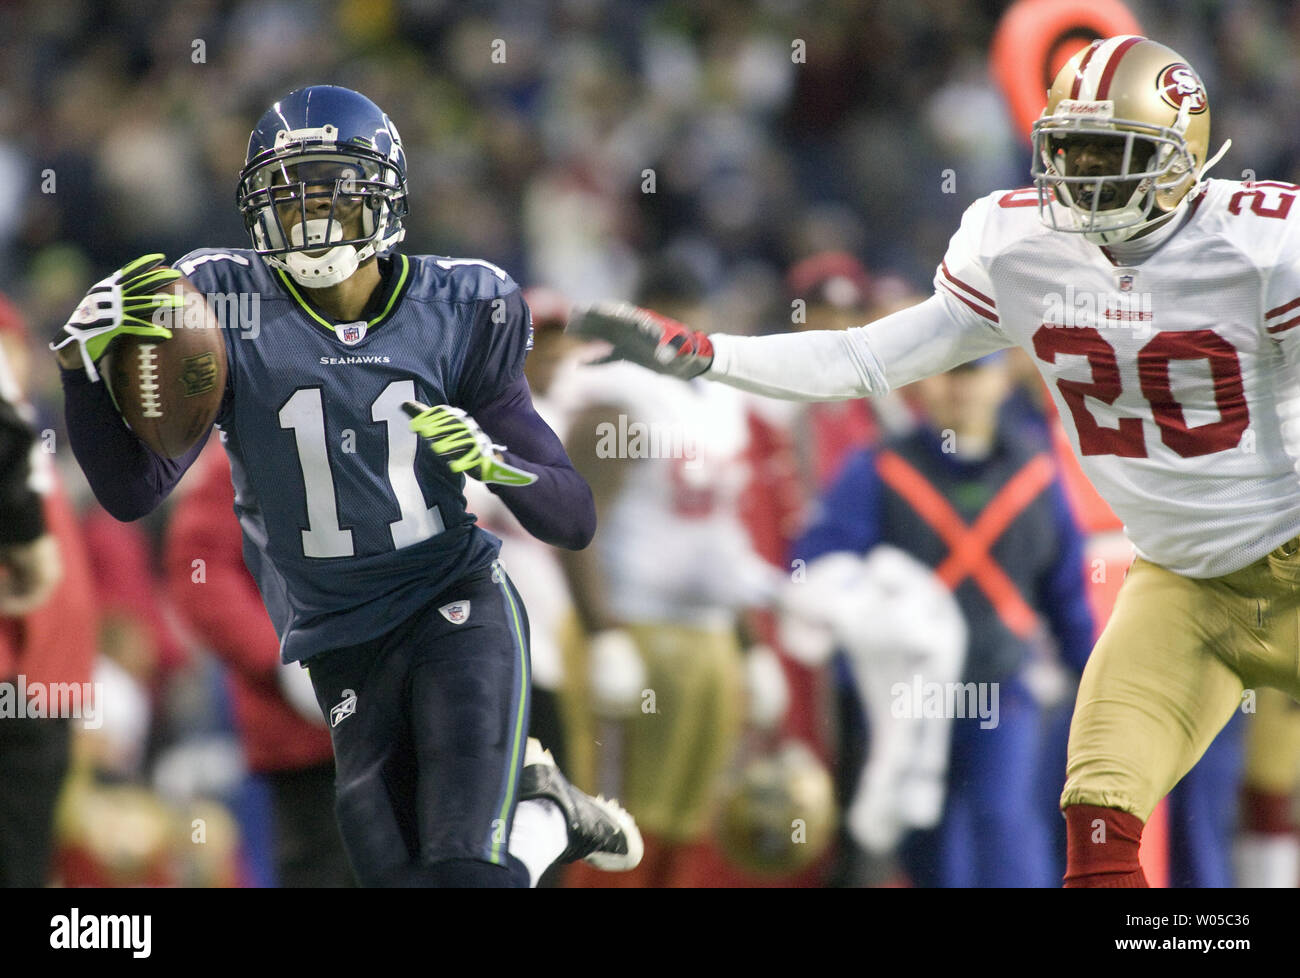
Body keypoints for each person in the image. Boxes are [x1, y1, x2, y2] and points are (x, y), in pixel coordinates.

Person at [569, 35, 1300, 887]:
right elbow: (864, 358)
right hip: (1179, 581)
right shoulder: (1018, 244)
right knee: (1098, 825)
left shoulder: (1265, 245)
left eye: (1112, 154)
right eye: (1071, 150)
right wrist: (707, 353)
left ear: (1181, 162)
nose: (1083, 175)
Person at [52, 85, 640, 888]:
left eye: (332, 194)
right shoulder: (223, 303)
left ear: (384, 196)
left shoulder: (462, 305)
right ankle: (546, 814)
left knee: (466, 874)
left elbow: (572, 517)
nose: (311, 220)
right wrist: (81, 376)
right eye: (290, 199)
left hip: (451, 605)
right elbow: (133, 494)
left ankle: (542, 822)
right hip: (338, 644)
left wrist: (496, 465)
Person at [791, 354, 1094, 886]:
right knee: (918, 843)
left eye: (975, 373)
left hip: (1000, 688)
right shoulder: (879, 467)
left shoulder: (1036, 470)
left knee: (1003, 830)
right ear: (924, 383)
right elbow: (817, 568)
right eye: (949, 372)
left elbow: (1066, 587)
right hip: (904, 697)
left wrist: (1093, 679)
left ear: (1002, 379)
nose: (961, 389)